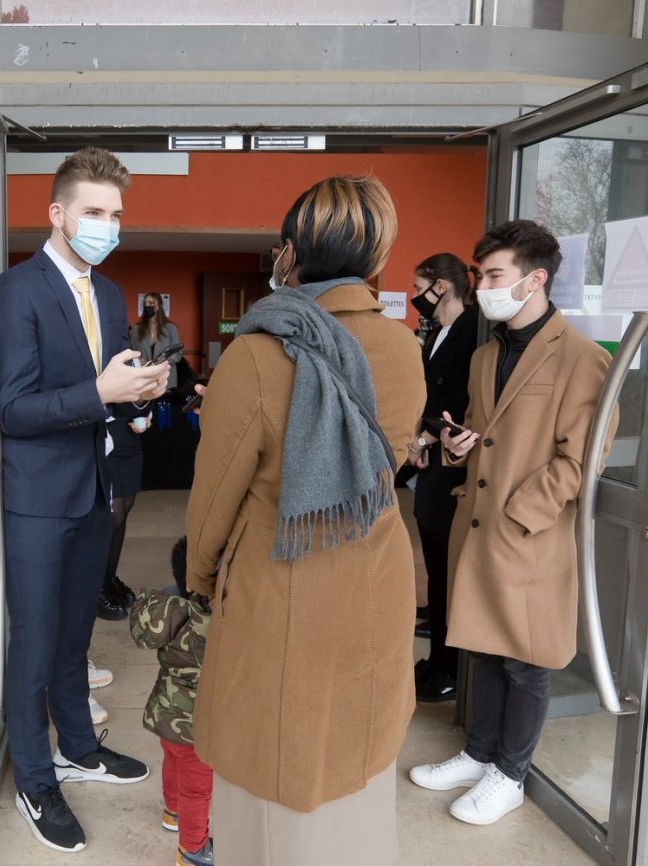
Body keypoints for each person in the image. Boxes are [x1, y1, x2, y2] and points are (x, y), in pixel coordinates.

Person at [186, 175, 424, 866]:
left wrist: (203, 576)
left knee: (275, 770)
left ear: (289, 253)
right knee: (358, 750)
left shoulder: (257, 354)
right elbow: (395, 462)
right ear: (375, 258)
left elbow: (212, 501)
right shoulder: (403, 347)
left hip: (282, 585)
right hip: (377, 576)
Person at [0, 147, 169, 854]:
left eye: (116, 213)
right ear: (58, 214)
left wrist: (137, 392)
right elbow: (14, 408)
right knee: (33, 643)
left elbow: (109, 380)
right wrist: (99, 393)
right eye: (94, 212)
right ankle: (35, 777)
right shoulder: (18, 289)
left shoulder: (111, 293)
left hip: (95, 488)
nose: (107, 225)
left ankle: (78, 750)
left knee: (73, 637)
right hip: (36, 495)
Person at [408, 219, 614, 826]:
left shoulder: (580, 356)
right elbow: (477, 432)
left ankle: (511, 774)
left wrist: (523, 513)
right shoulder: (486, 354)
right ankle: (479, 753)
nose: (484, 287)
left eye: (494, 275)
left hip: (530, 532)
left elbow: (583, 458)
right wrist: (454, 444)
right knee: (487, 650)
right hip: (478, 521)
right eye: (479, 276)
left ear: (536, 280)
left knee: (525, 659)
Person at [405, 253, 479, 702]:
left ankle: (448, 669)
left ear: (440, 286)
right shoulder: (439, 331)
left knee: (446, 568)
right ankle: (436, 657)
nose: (415, 296)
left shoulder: (470, 329)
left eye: (419, 286)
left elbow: (456, 397)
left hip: (449, 460)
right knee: (433, 560)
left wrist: (424, 441)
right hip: (432, 458)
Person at [129, 537, 214, 866]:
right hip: (195, 727)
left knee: (173, 763)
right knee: (198, 789)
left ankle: (173, 813)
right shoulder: (212, 625)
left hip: (166, 713)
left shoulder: (169, 613)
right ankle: (192, 850)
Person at [96, 411, 147, 621]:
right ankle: (95, 587)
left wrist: (146, 412)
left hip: (129, 433)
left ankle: (109, 579)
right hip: (106, 432)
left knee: (125, 506)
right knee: (113, 514)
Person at [132, 292, 183, 391]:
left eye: (150, 303)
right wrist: (139, 360)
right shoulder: (136, 329)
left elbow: (178, 355)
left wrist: (161, 361)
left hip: (165, 378)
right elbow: (133, 353)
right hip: (144, 377)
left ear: (159, 306)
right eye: (145, 303)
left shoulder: (171, 328)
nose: (147, 306)